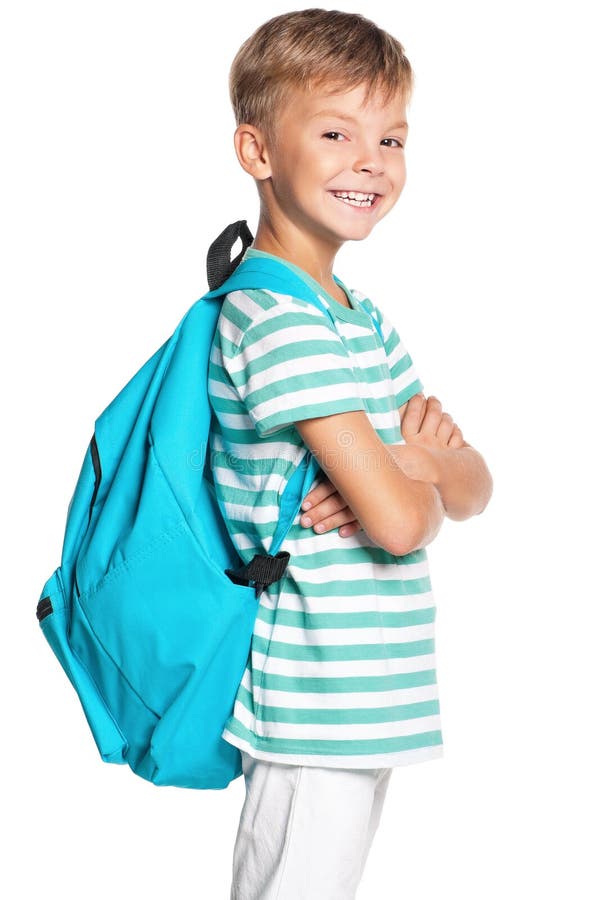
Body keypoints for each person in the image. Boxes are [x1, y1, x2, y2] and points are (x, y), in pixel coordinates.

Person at [207, 8, 493, 899]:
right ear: (257, 150)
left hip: (365, 702)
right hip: (312, 699)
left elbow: (475, 486)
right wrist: (408, 471)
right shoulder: (277, 318)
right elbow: (404, 527)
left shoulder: (358, 318)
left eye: (391, 139)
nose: (371, 161)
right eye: (336, 133)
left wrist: (403, 465)